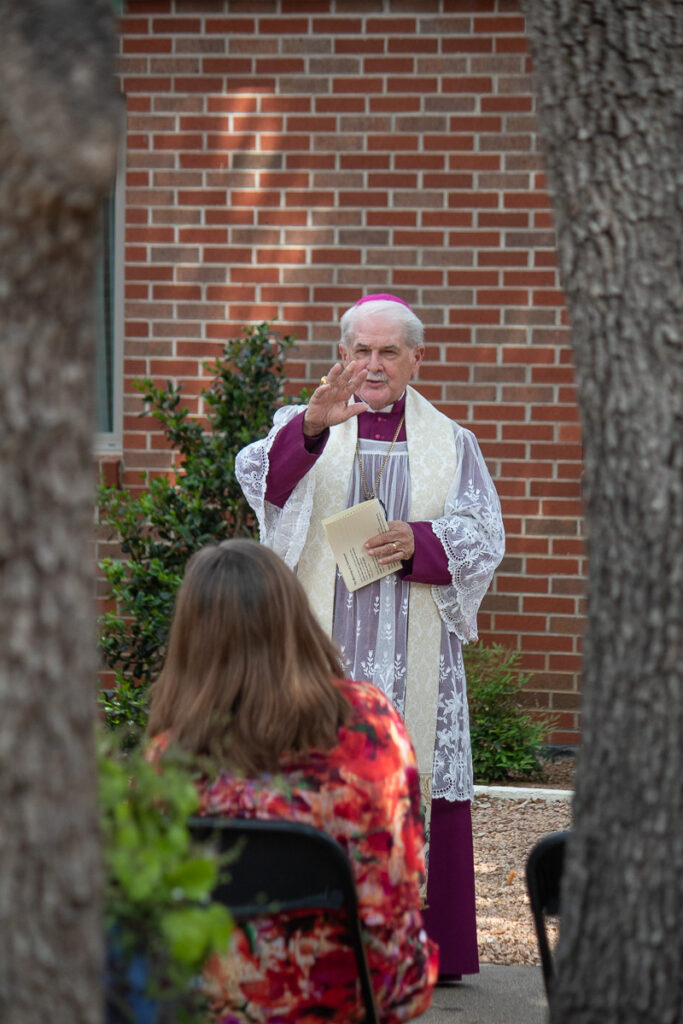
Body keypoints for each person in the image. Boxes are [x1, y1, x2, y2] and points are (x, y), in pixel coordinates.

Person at [235, 293, 505, 980]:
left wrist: (415, 539)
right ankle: (312, 936)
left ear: (416, 358)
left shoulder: (452, 442)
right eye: (361, 350)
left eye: (389, 351)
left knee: (414, 774)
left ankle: (419, 946)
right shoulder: (305, 425)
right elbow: (258, 482)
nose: (374, 364)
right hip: (323, 646)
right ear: (342, 355)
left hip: (413, 646)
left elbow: (483, 537)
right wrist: (312, 428)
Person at [146, 539, 438, 1024]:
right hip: (347, 1004)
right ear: (294, 619)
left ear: (190, 641)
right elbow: (399, 891)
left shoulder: (167, 764)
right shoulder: (371, 727)